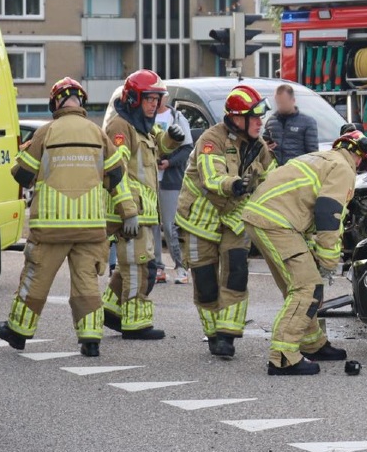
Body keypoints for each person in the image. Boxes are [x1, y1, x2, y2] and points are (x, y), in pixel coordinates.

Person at [0, 78, 133, 357]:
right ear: (80, 102)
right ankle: (91, 339)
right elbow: (117, 173)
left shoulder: (46, 132)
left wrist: (23, 154)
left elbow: (22, 175)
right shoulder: (97, 133)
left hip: (51, 225)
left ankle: (19, 331)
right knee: (86, 281)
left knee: (36, 277)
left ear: (55, 103)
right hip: (91, 225)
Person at [241, 130, 367, 376]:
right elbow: (328, 212)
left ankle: (312, 343)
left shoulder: (318, 158)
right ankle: (283, 356)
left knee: (298, 284)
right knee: (308, 287)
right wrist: (329, 259)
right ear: (359, 157)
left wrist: (315, 248)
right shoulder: (343, 168)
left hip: (264, 217)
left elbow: (307, 207)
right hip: (277, 223)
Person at [177, 85, 275, 358]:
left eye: (260, 116)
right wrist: (234, 184)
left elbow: (273, 178)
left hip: (235, 219)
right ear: (236, 118)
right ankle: (212, 332)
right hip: (199, 221)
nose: (260, 122)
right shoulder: (212, 139)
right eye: (254, 117)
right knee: (206, 283)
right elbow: (211, 175)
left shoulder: (260, 147)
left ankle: (227, 335)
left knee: (236, 274)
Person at [101, 70, 183, 340]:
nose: (154, 105)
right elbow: (116, 172)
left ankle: (111, 311)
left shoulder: (142, 125)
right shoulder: (120, 127)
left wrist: (172, 137)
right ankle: (136, 323)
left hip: (142, 213)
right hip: (130, 213)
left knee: (133, 266)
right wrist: (128, 213)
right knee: (140, 267)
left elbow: (161, 145)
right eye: (149, 99)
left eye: (157, 100)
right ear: (134, 98)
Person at [154, 98, 193, 284]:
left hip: (171, 180)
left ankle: (181, 267)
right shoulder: (144, 118)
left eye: (157, 97)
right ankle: (158, 268)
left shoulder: (177, 118)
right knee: (153, 226)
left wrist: (169, 162)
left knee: (170, 227)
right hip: (150, 181)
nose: (154, 101)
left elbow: (187, 149)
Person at [262, 85, 318, 166]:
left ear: (293, 100)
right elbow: (262, 146)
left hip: (297, 172)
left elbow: (313, 155)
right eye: (278, 103)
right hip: (275, 173)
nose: (280, 106)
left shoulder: (308, 122)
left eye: (284, 102)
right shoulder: (272, 121)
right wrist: (266, 147)